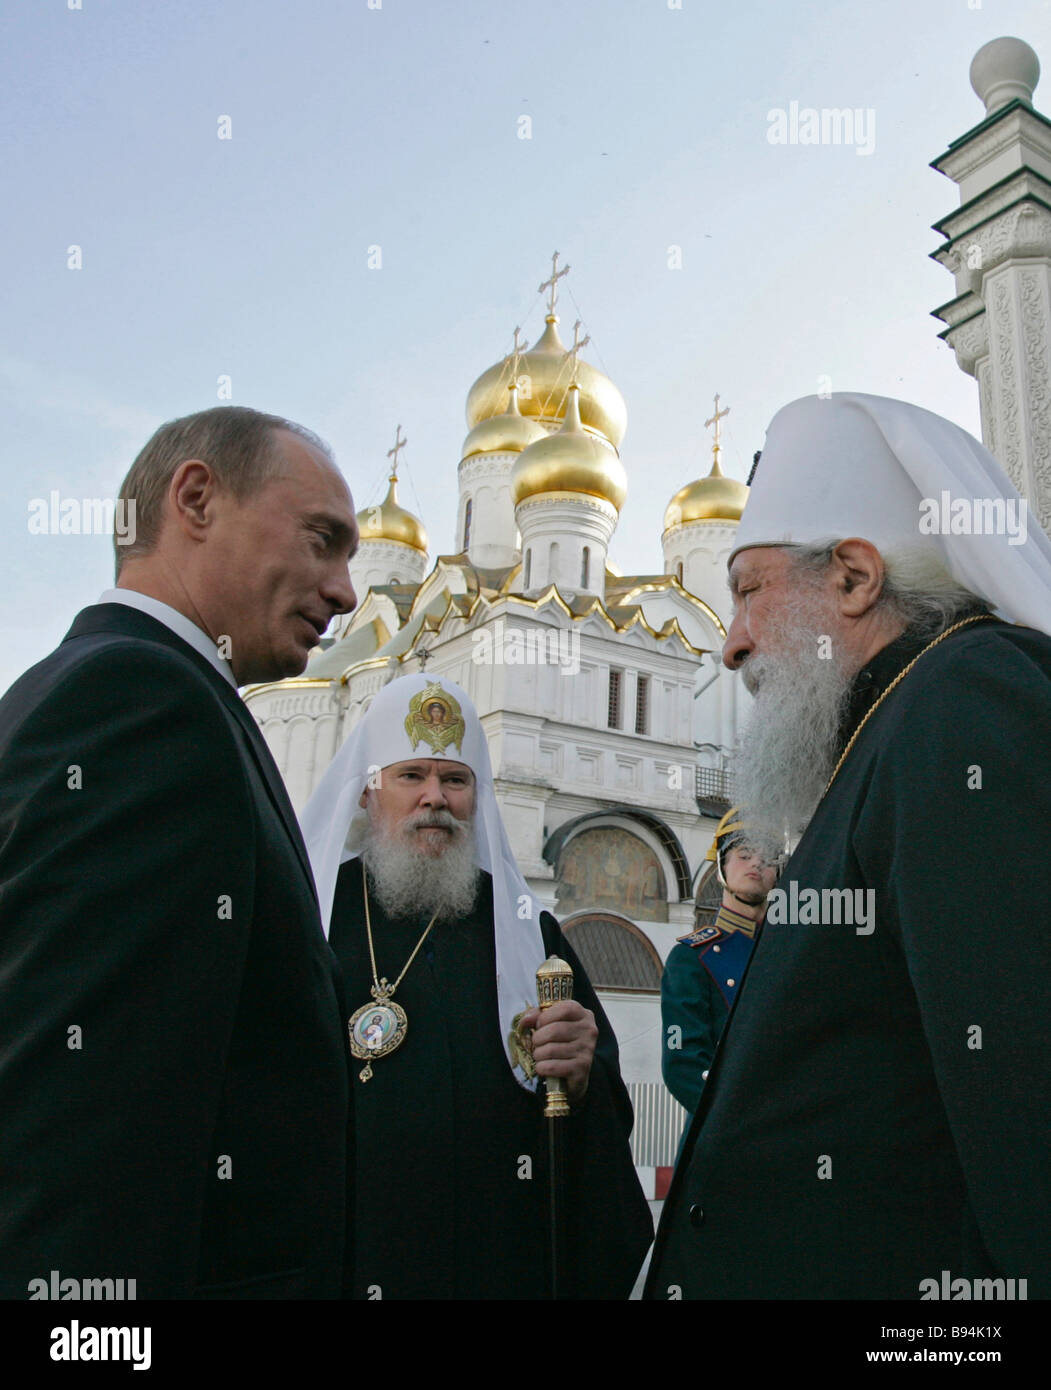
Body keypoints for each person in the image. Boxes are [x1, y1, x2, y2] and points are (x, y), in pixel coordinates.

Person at [646, 392, 1051, 1300]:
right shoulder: (882, 730)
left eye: (747, 592)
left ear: (854, 578)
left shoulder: (963, 702)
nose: (731, 643)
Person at [0, 405, 359, 1299]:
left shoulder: (71, 684)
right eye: (322, 540)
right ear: (195, 498)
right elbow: (81, 1126)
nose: (348, 591)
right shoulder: (148, 701)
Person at [301, 673, 653, 1300]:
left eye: (455, 780)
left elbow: (596, 1104)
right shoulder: (312, 916)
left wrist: (580, 1074)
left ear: (476, 796)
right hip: (346, 1260)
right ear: (367, 791)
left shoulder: (526, 932)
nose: (435, 798)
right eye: (411, 776)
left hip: (494, 1263)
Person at [660, 808, 777, 1123]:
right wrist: (739, 1123)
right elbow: (682, 1064)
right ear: (722, 866)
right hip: (724, 1131)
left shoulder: (787, 952)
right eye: (745, 854)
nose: (757, 863)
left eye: (768, 859)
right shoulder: (690, 957)